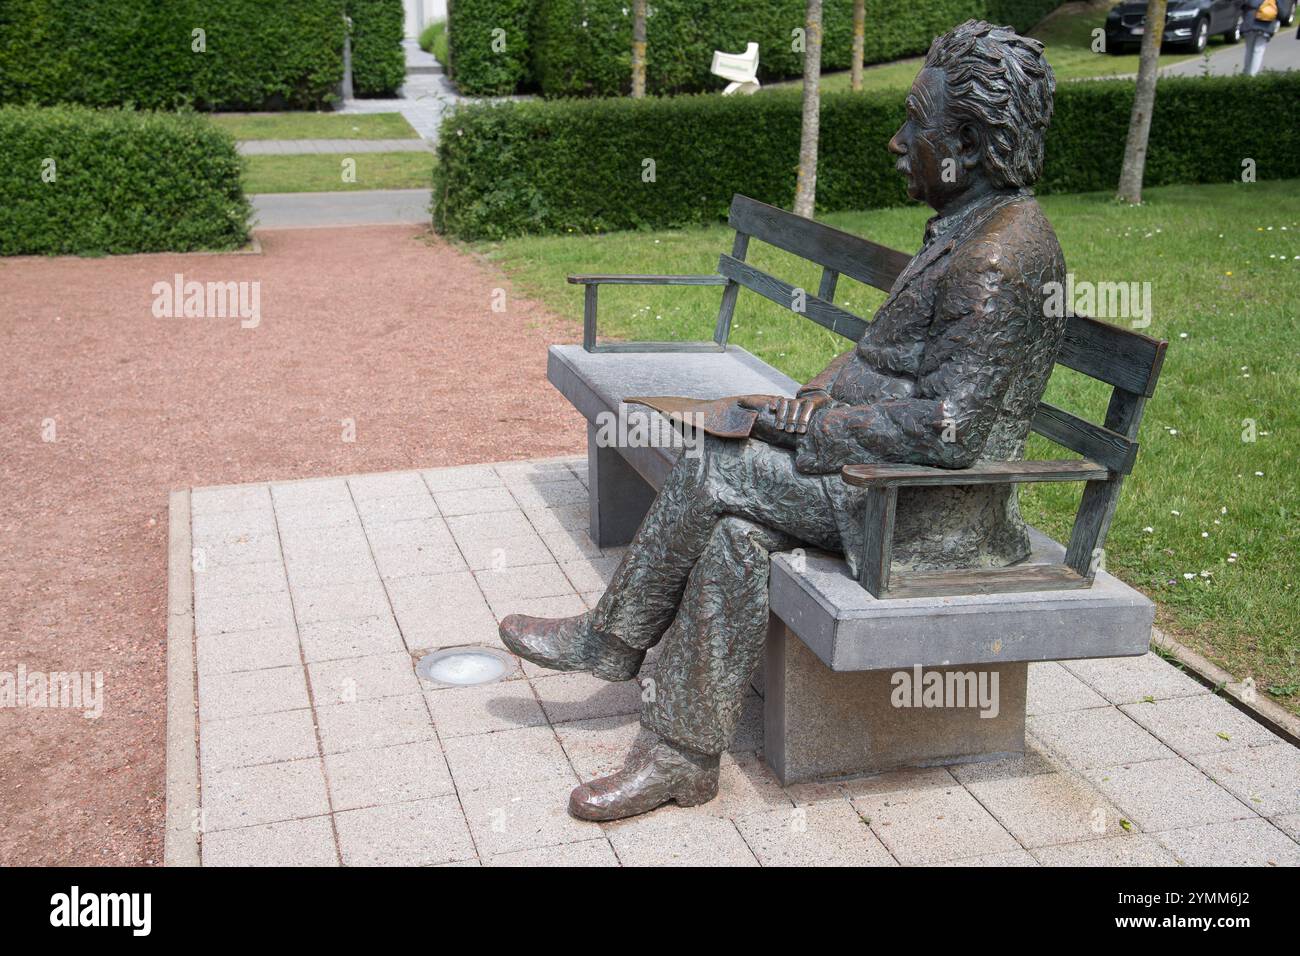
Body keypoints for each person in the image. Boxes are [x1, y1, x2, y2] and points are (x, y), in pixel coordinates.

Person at [499, 19, 1069, 821]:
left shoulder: (1001, 257)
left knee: (714, 467)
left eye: (916, 122)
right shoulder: (972, 228)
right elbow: (887, 354)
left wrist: (815, 431)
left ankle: (611, 641)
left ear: (970, 146)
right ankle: (680, 756)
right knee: (734, 536)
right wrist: (812, 393)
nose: (898, 141)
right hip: (883, 487)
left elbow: (953, 427)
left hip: (929, 515)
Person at [1242, 0, 1280, 76]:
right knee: (1258, 50)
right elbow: (1281, 8)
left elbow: (1243, 4)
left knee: (1249, 49)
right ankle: (1252, 75)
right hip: (1266, 21)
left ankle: (1246, 74)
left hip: (1250, 20)